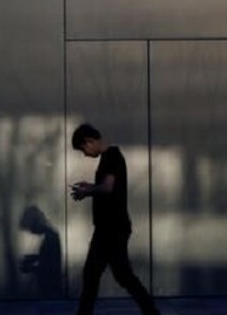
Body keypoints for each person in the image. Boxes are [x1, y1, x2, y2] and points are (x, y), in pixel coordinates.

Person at [70, 124, 160, 315]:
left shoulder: (111, 156)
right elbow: (109, 187)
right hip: (113, 226)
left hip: (110, 228)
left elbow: (108, 188)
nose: (85, 154)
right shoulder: (110, 157)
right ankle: (151, 312)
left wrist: (87, 191)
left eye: (83, 149)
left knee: (93, 274)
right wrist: (92, 186)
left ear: (90, 141)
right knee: (121, 275)